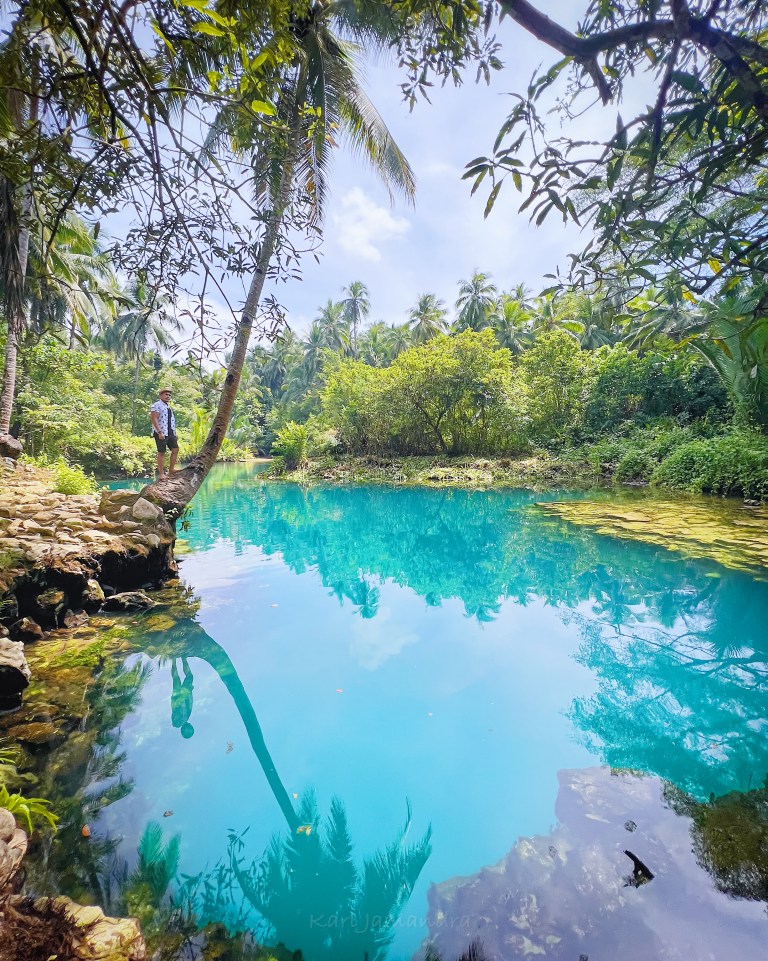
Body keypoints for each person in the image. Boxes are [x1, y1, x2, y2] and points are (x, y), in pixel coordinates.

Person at [150, 387, 178, 479]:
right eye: (166, 394)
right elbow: (154, 418)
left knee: (175, 449)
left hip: (170, 432)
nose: (168, 396)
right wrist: (159, 432)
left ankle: (171, 469)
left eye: (169, 395)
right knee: (161, 452)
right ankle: (161, 474)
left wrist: (174, 432)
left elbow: (170, 420)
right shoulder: (157, 405)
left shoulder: (168, 406)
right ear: (161, 395)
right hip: (161, 432)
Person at [170, 656, 195, 739]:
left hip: (181, 695)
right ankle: (174, 659)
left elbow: (184, 706)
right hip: (179, 696)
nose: (191, 726)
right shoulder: (180, 720)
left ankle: (182, 658)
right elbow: (188, 703)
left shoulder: (182, 719)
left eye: (190, 729)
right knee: (177, 678)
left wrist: (188, 692)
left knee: (187, 677)